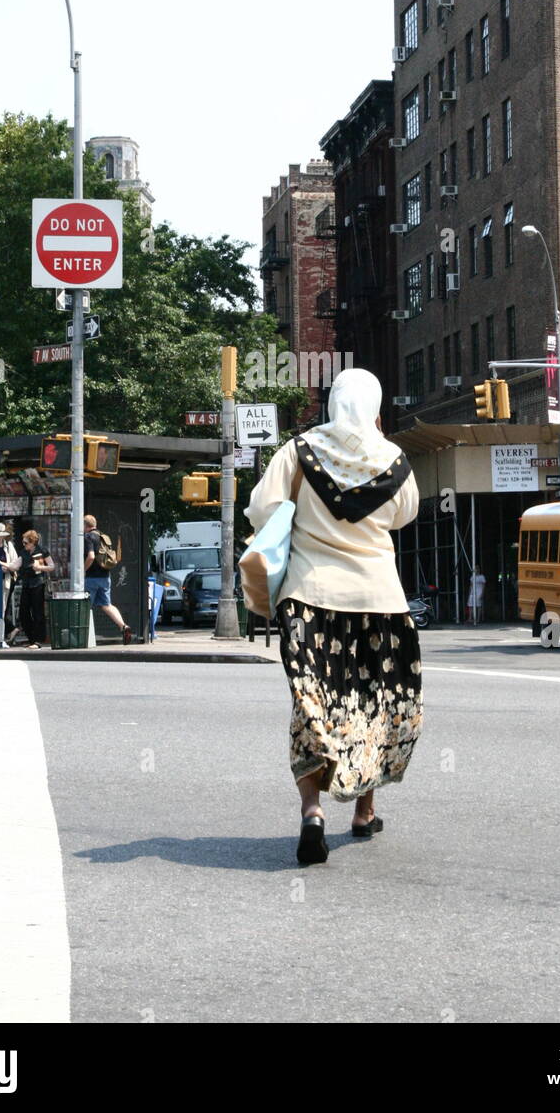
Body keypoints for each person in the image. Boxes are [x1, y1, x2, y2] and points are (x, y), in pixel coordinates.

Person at [245, 367, 421, 866]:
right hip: (380, 603)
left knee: (312, 705)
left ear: (331, 406)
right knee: (375, 706)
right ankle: (364, 812)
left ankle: (312, 810)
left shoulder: (297, 451)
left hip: (309, 599)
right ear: (376, 410)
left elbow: (261, 509)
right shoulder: (395, 459)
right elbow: (405, 514)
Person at [84, 514, 132, 644]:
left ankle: (84, 637)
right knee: (106, 605)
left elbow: (91, 556)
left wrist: (82, 570)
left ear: (85, 525)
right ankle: (123, 626)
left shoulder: (88, 537)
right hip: (105, 576)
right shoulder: (104, 536)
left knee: (85, 606)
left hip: (91, 578)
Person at [9, 529, 55, 648]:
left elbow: (52, 566)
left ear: (33, 542)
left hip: (38, 584)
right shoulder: (23, 553)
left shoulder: (42, 551)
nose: (24, 545)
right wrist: (2, 564)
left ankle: (38, 641)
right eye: (23, 543)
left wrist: (40, 567)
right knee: (23, 613)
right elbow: (14, 566)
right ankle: (31, 639)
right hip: (26, 584)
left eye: (26, 543)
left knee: (37, 612)